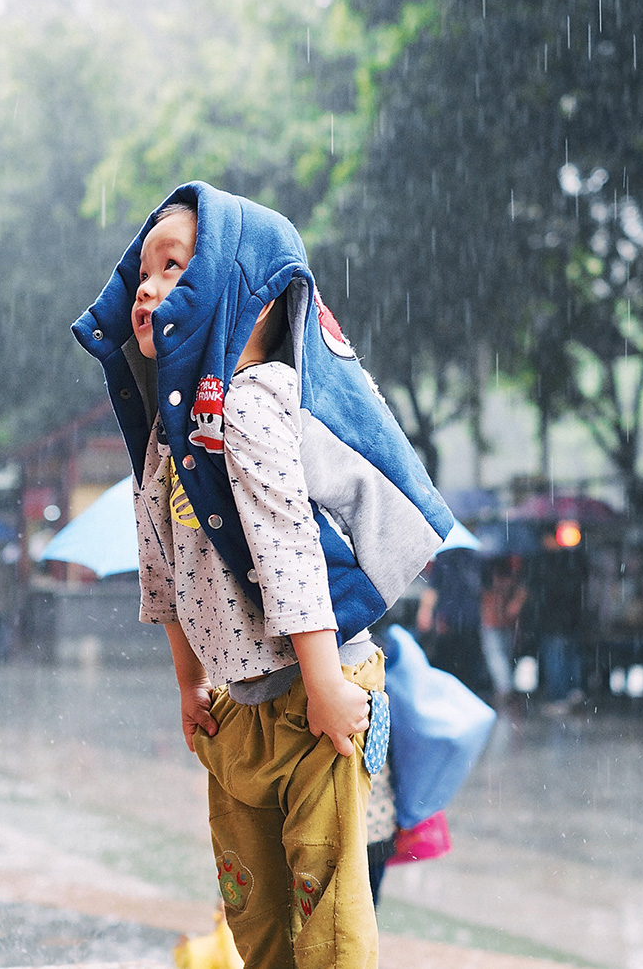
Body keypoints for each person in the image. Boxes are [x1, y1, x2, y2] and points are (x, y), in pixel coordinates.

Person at [72, 181, 451, 968]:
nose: (147, 286)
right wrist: (187, 685)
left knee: (330, 920)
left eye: (175, 268)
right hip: (238, 712)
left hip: (315, 697)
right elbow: (161, 575)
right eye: (143, 270)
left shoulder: (249, 405)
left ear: (239, 293)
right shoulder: (160, 442)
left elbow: (289, 550)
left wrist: (322, 685)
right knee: (255, 919)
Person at [529, 526, 588, 714]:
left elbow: (544, 593)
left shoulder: (549, 564)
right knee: (570, 655)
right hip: (571, 620)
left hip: (554, 622)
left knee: (556, 659)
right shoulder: (572, 560)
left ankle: (560, 697)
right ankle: (574, 690)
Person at [415, 546, 485, 692]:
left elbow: (433, 589)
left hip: (450, 616)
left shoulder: (444, 557)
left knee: (448, 661)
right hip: (470, 617)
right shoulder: (478, 557)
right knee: (468, 661)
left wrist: (425, 611)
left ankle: (450, 692)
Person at [480, 555, 527, 705]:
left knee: (495, 655)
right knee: (504, 654)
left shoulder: (490, 574)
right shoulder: (512, 577)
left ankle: (504, 688)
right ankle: (506, 687)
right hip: (504, 620)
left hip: (494, 620)